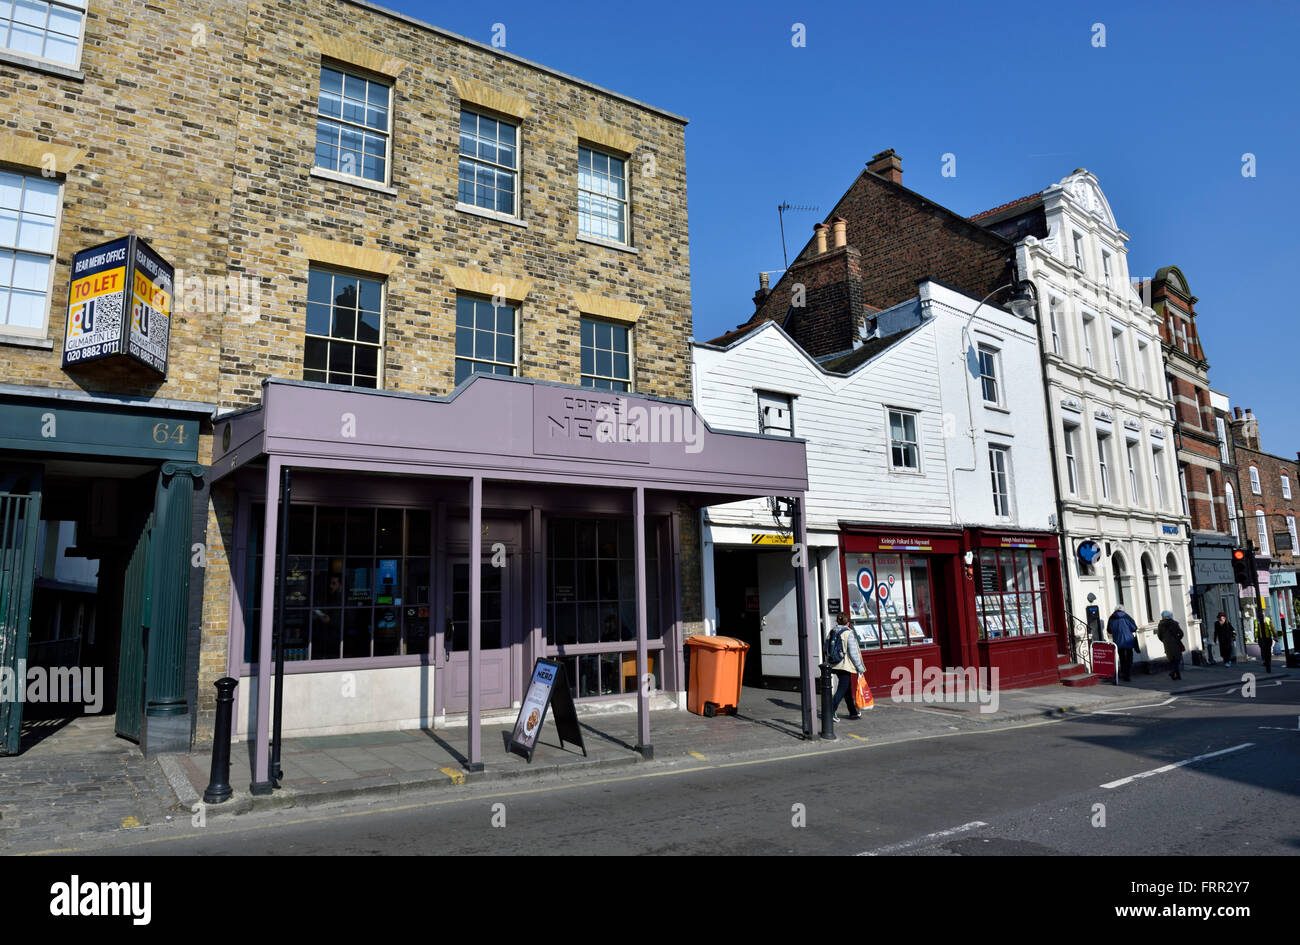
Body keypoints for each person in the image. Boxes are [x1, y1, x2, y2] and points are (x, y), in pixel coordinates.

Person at [827, 612, 865, 721]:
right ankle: (830, 712)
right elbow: (853, 653)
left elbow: (826, 648)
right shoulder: (848, 633)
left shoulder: (832, 631)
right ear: (848, 623)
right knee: (842, 689)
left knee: (847, 689)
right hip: (845, 665)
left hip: (835, 664)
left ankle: (853, 712)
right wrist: (860, 667)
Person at [1106, 607, 1138, 682]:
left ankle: (1124, 673)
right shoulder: (1127, 617)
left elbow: (1109, 630)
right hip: (1128, 641)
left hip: (1118, 642)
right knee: (1129, 658)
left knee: (1122, 658)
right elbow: (1134, 628)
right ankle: (1127, 674)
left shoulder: (1111, 618)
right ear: (1123, 610)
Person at [1156, 609, 1185, 681]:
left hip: (1167, 644)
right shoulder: (1175, 623)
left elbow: (1159, 635)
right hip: (1175, 643)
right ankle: (1173, 672)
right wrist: (1178, 638)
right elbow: (1181, 633)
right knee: (1177, 659)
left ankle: (1178, 676)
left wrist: (1164, 641)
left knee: (1172, 660)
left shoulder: (1160, 625)